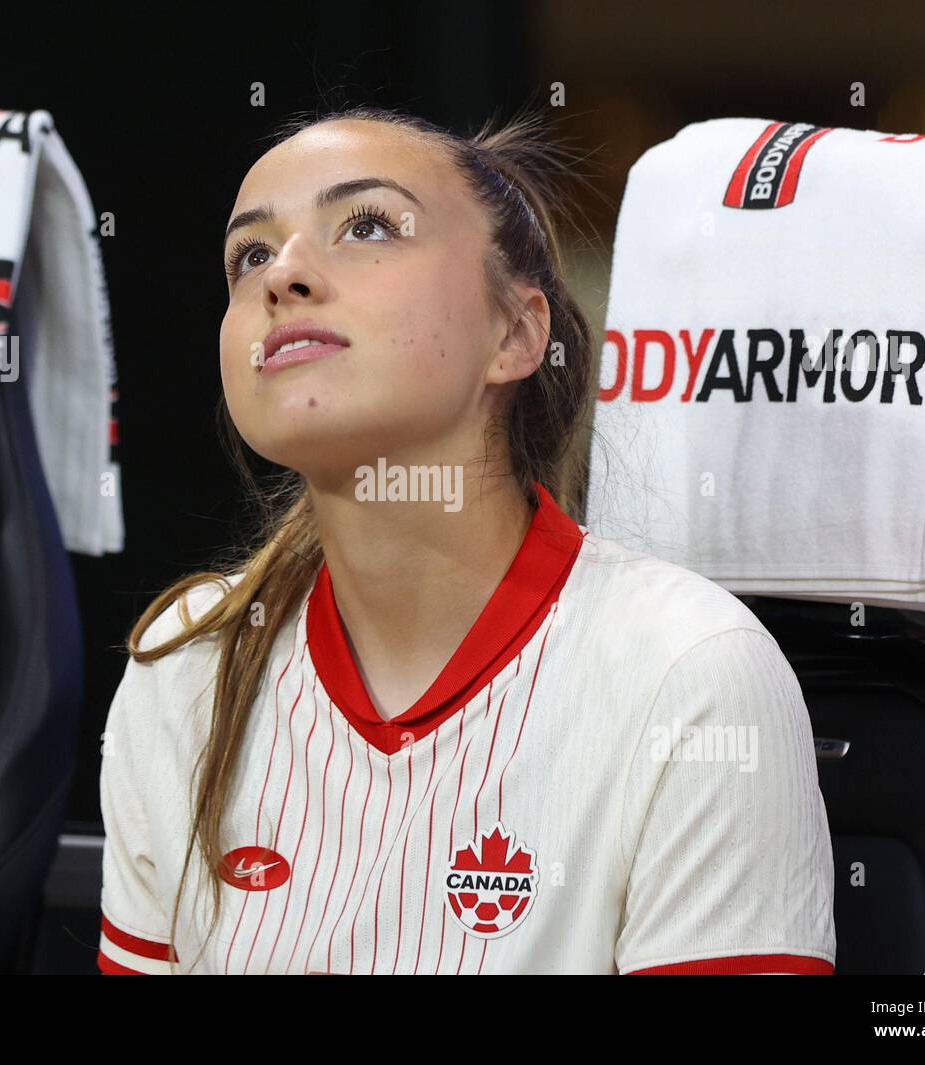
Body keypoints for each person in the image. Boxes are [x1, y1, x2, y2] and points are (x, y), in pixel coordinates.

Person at [96, 105, 836, 975]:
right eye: (250, 253)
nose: (282, 273)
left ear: (515, 333)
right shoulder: (183, 663)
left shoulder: (693, 674)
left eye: (366, 225)